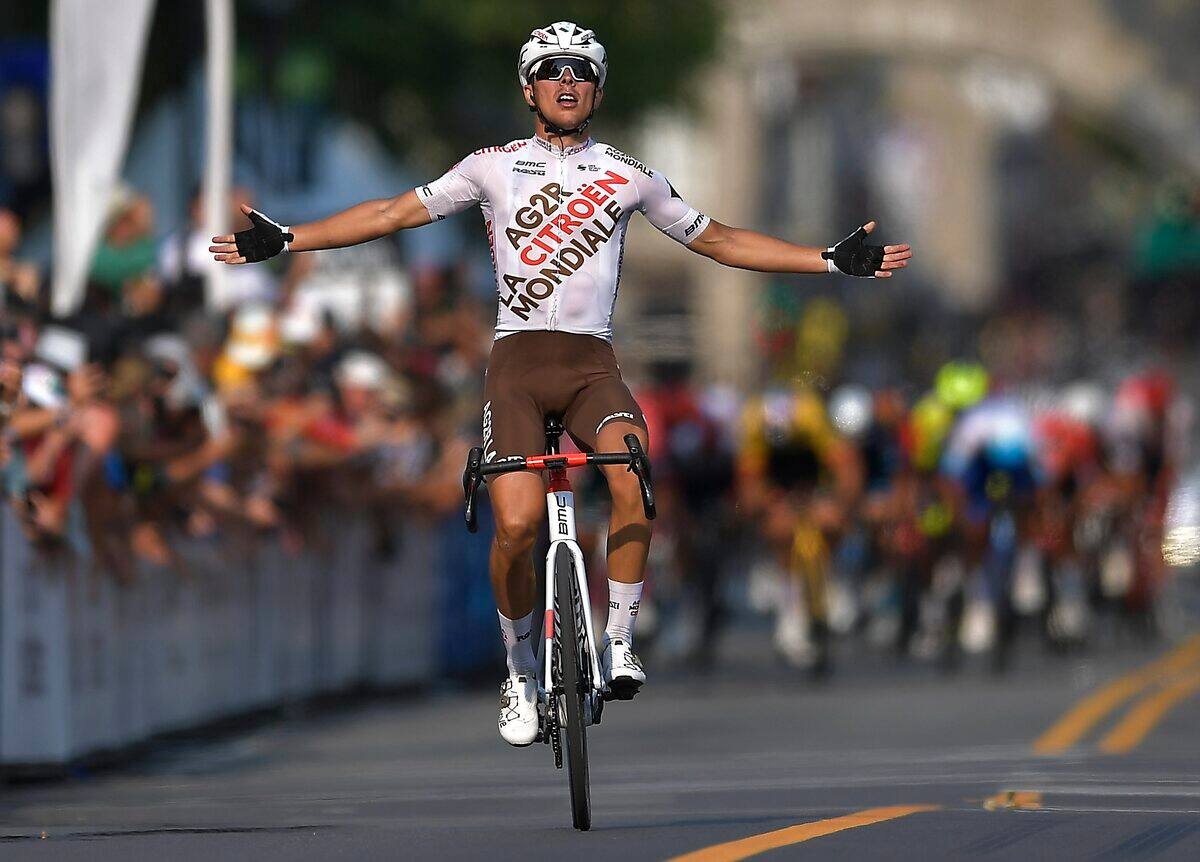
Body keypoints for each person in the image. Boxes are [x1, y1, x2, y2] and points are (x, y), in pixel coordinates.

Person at [209, 20, 913, 746]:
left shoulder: (631, 175)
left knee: (633, 471)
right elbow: (392, 213)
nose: (567, 81)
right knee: (515, 524)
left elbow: (722, 240)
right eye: (552, 71)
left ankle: (621, 640)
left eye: (580, 71)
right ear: (529, 88)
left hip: (591, 368)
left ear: (598, 88)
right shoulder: (490, 166)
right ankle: (518, 672)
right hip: (516, 366)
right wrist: (290, 238)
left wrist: (828, 260)